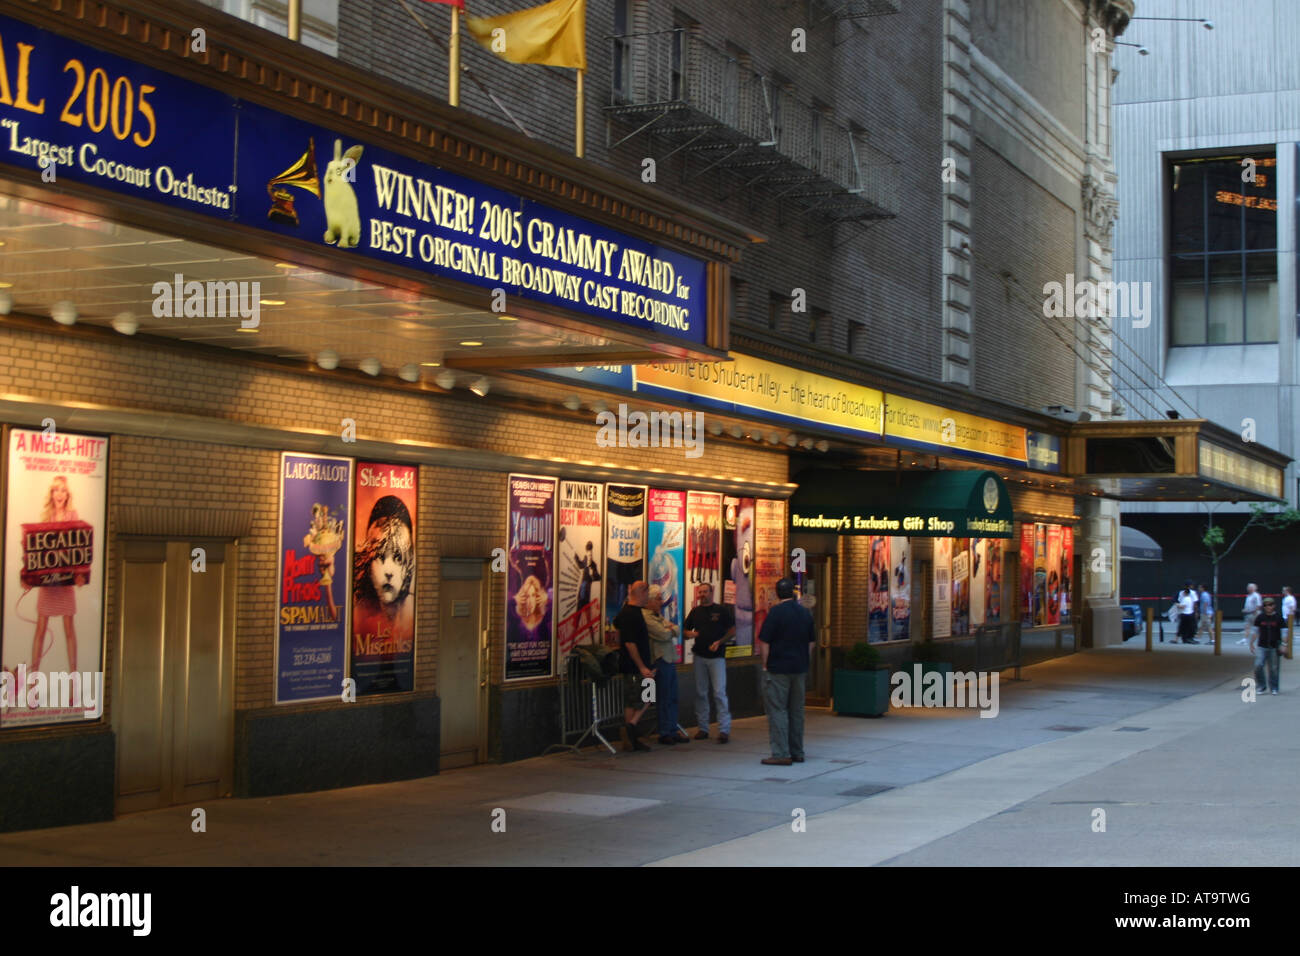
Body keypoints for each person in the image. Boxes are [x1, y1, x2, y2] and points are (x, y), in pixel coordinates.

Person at [27, 476, 83, 674]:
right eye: (56, 490)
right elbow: (36, 550)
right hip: (48, 581)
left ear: (67, 494)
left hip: (65, 581)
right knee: (40, 629)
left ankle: (73, 680)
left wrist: (80, 574)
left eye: (63, 490)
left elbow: (79, 549)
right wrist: (28, 576)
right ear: (51, 493)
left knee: (69, 629)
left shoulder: (73, 516)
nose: (59, 494)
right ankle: (34, 680)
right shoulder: (45, 516)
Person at [756, 577, 815, 766]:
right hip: (799, 668)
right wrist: (804, 660)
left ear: (777, 593)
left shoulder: (775, 613)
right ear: (793, 592)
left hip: (778, 669)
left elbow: (764, 642)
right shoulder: (805, 614)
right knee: (797, 711)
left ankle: (781, 753)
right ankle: (797, 751)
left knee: (778, 710)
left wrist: (765, 665)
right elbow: (811, 642)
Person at [685, 581, 735, 743]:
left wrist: (719, 642)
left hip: (717, 658)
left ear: (711, 593)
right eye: (700, 592)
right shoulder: (695, 612)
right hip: (699, 656)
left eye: (705, 592)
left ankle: (724, 729)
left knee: (719, 693)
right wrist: (689, 634)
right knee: (701, 693)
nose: (702, 595)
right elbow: (685, 631)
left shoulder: (721, 611)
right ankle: (703, 728)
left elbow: (732, 630)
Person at [643, 584, 689, 745]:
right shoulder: (647, 617)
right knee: (663, 697)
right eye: (658, 598)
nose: (661, 601)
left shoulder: (658, 616)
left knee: (673, 696)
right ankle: (664, 732)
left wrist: (671, 629)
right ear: (649, 601)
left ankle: (672, 728)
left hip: (669, 659)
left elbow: (677, 629)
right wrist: (670, 629)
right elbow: (664, 634)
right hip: (660, 660)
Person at [615, 580, 654, 752]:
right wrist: (641, 667)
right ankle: (630, 728)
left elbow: (617, 635)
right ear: (641, 592)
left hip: (634, 665)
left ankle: (630, 736)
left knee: (634, 700)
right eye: (648, 593)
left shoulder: (627, 612)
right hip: (635, 666)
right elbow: (630, 643)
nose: (649, 596)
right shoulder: (631, 614)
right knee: (646, 695)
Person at [1250, 596, 1283, 695]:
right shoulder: (1260, 618)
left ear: (1274, 606)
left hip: (1274, 646)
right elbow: (1255, 631)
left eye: (1270, 605)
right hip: (1262, 646)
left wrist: (1284, 644)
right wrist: (1251, 643)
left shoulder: (1278, 618)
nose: (1268, 607)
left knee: (1273, 668)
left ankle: (1274, 687)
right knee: (1258, 665)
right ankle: (1262, 685)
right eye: (1265, 605)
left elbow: (1285, 632)